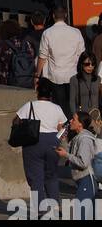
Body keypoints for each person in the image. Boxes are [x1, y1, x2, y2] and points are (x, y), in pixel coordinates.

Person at [17, 80, 67, 212]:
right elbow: (62, 128)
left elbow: (16, 120)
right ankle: (55, 206)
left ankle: (39, 209)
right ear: (51, 93)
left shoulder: (29, 106)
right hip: (52, 141)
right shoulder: (57, 108)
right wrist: (57, 139)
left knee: (35, 177)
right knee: (52, 175)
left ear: (37, 92)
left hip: (33, 142)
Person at [35, 5, 85, 115]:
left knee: (60, 108)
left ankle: (63, 130)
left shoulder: (47, 33)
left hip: (55, 77)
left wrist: (37, 75)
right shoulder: (76, 32)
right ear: (66, 15)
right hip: (73, 75)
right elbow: (82, 56)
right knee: (73, 107)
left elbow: (43, 57)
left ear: (53, 16)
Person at [56, 109, 98, 218]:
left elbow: (83, 163)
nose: (70, 121)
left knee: (81, 215)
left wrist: (66, 155)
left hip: (87, 180)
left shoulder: (84, 139)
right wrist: (64, 139)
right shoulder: (77, 137)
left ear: (80, 124)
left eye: (73, 119)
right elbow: (67, 152)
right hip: (81, 181)